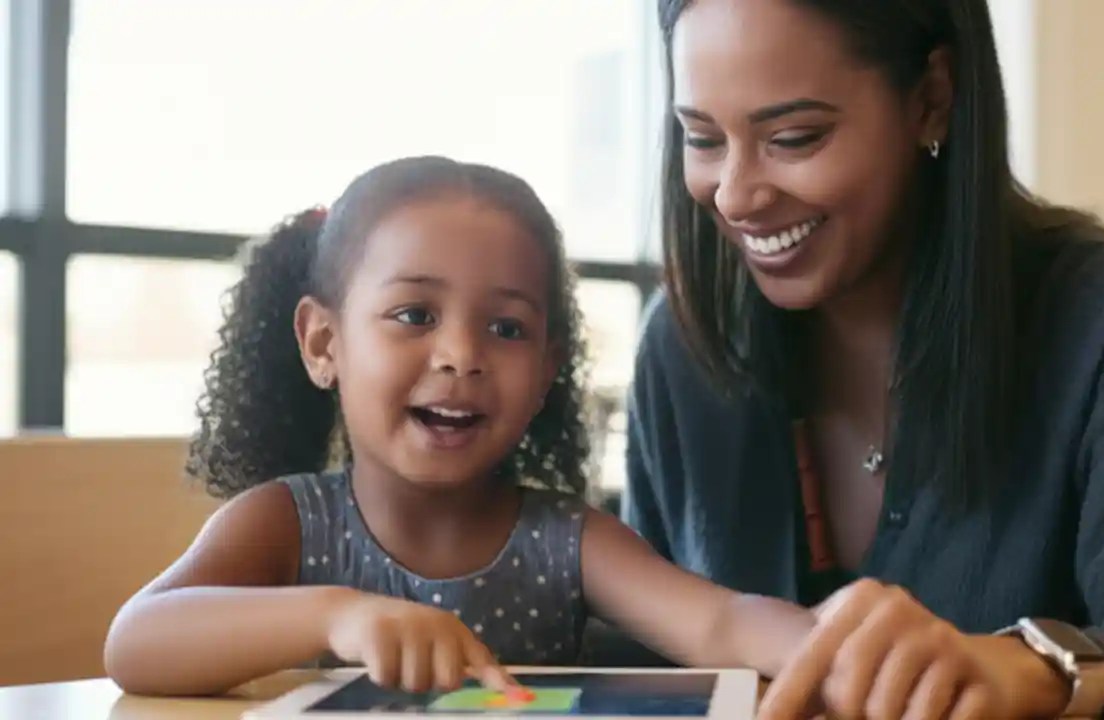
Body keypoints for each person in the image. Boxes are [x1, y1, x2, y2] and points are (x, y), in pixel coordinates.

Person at [620, 0, 1104, 718]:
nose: (735, 194)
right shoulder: (683, 344)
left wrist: (1026, 669)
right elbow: (637, 661)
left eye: (794, 137)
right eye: (702, 138)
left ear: (932, 98)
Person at [103, 156, 815, 697]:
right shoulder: (288, 524)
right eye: (415, 314)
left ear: (545, 373)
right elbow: (134, 643)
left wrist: (838, 645)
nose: (462, 357)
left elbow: (721, 624)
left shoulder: (570, 543)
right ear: (324, 344)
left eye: (507, 328)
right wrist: (337, 617)